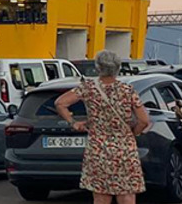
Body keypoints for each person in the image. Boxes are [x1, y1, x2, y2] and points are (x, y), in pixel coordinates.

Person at [55, 50, 150, 204]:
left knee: (101, 196)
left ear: (97, 67)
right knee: (126, 194)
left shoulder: (88, 88)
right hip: (124, 149)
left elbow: (60, 103)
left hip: (98, 149)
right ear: (118, 67)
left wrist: (74, 123)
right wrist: (133, 133)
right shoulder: (127, 90)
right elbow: (144, 120)